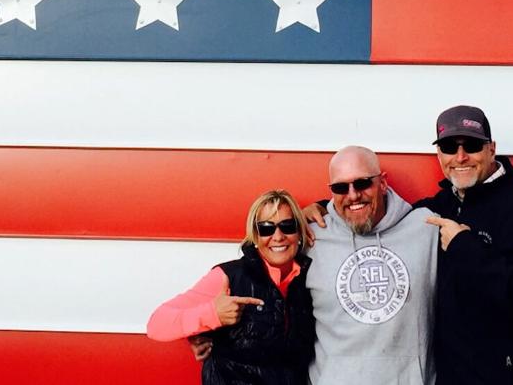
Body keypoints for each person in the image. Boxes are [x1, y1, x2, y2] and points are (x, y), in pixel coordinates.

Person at [421, 105, 513, 385]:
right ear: (438, 154)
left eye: (472, 145)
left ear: (491, 149)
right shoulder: (445, 204)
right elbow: (385, 214)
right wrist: (324, 209)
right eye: (448, 147)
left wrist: (466, 249)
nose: (460, 156)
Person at [148, 189, 316, 385]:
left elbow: (351, 197)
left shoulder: (312, 278)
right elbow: (157, 324)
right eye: (266, 228)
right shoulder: (230, 276)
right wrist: (212, 315)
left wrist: (319, 206)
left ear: (300, 231)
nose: (278, 236)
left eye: (287, 226)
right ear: (255, 235)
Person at [304, 146, 439, 385]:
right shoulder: (312, 236)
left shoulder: (427, 227)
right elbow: (262, 262)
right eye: (340, 187)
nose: (353, 195)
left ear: (383, 183)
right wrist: (214, 318)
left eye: (363, 183)